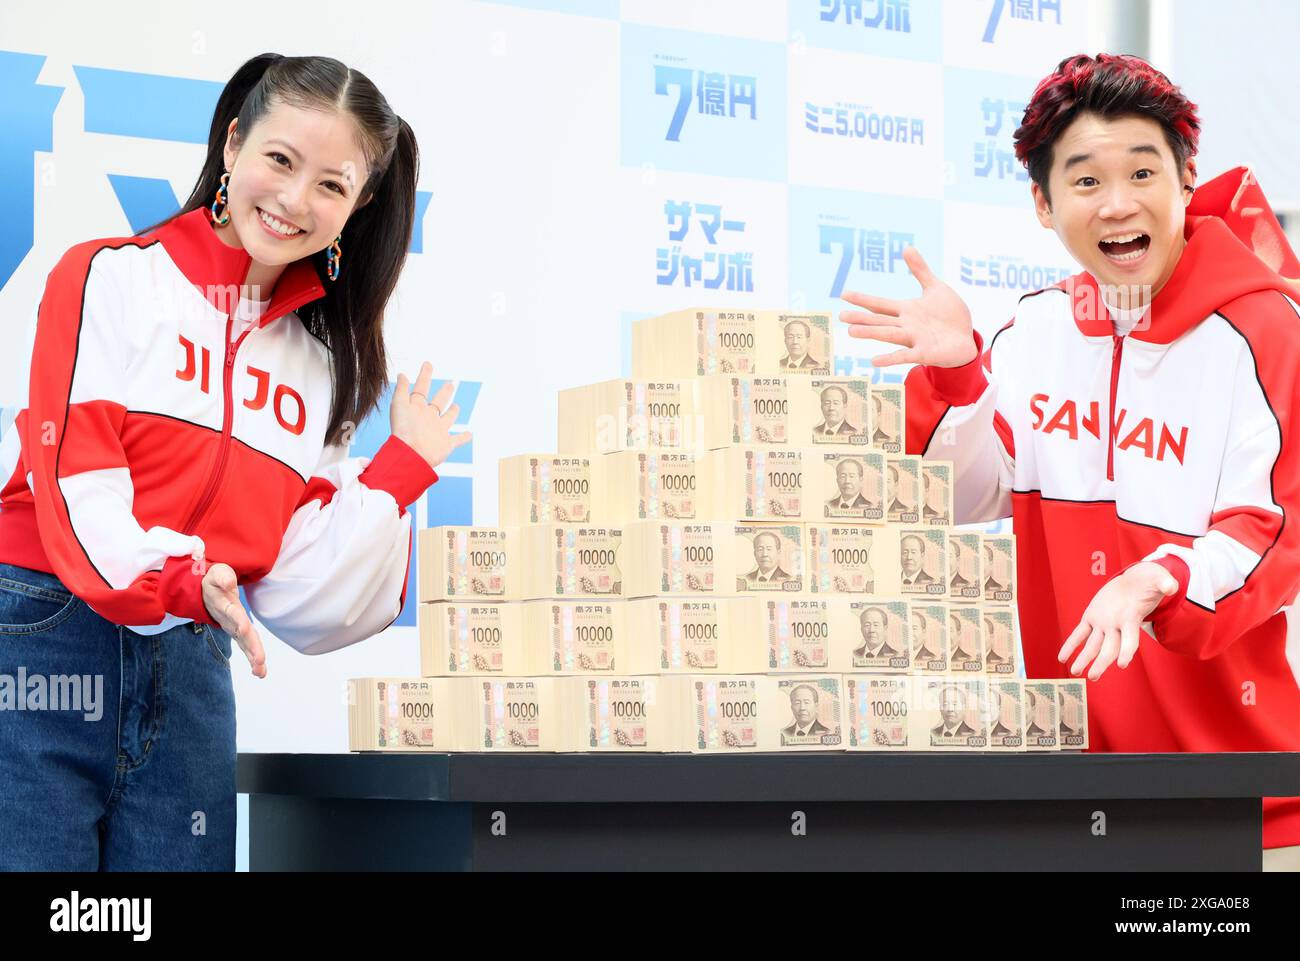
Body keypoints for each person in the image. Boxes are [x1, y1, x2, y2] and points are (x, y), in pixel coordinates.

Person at [0, 54, 471, 870]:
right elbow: (75, 480)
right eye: (280, 160)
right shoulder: (110, 278)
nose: (294, 199)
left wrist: (401, 468)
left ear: (358, 206)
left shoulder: (324, 365)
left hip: (190, 657)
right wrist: (182, 576)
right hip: (45, 634)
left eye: (331, 184)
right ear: (232, 145)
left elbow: (297, 590)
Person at [840, 53, 1300, 857]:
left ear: (1187, 180)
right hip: (1083, 809)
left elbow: (1273, 531)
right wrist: (957, 370)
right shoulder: (1034, 333)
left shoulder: (1267, 331)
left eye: (1143, 172)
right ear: (1043, 205)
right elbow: (964, 495)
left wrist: (1153, 577)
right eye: (1085, 180)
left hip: (1252, 813)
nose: (1119, 203)